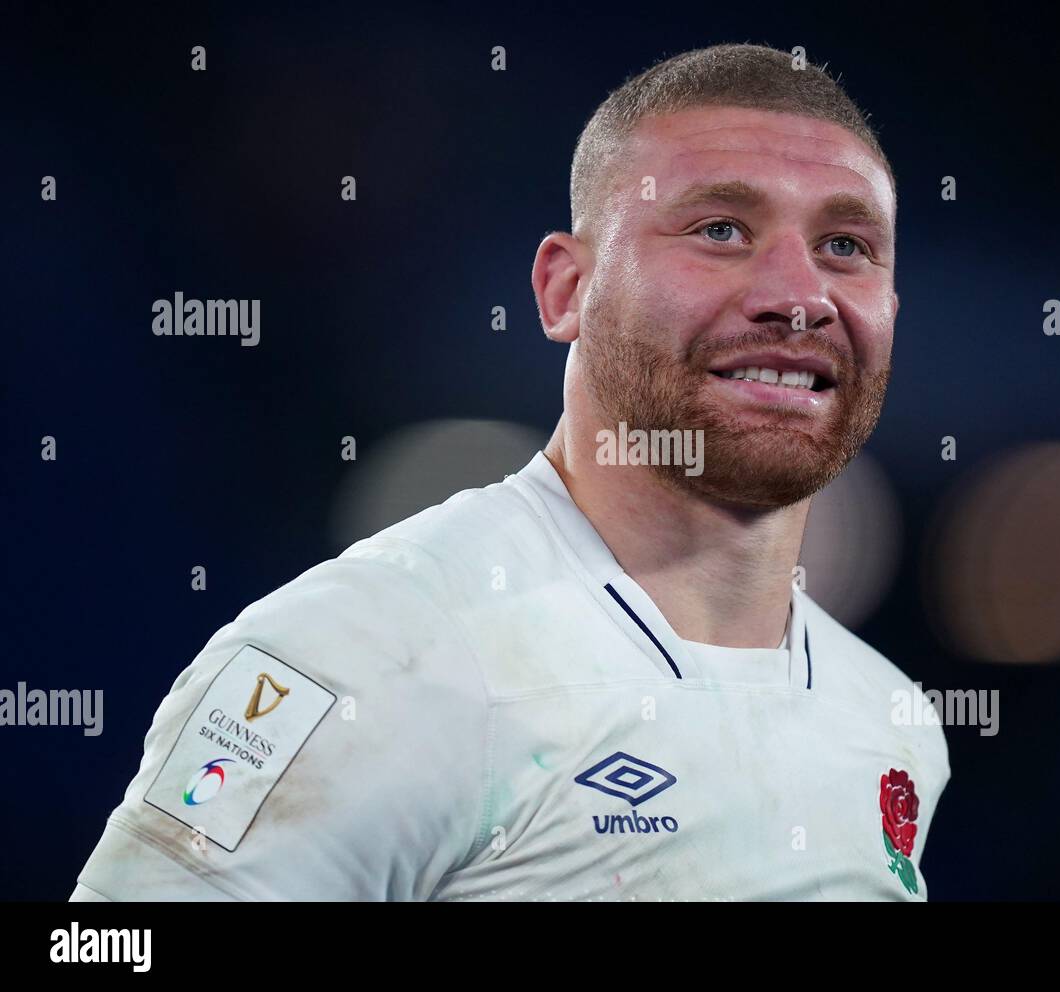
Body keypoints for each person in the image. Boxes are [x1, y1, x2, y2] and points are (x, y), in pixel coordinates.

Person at [71, 42, 949, 902]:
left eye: (845, 245)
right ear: (565, 290)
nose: (798, 294)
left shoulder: (889, 720)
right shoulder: (365, 659)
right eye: (721, 230)